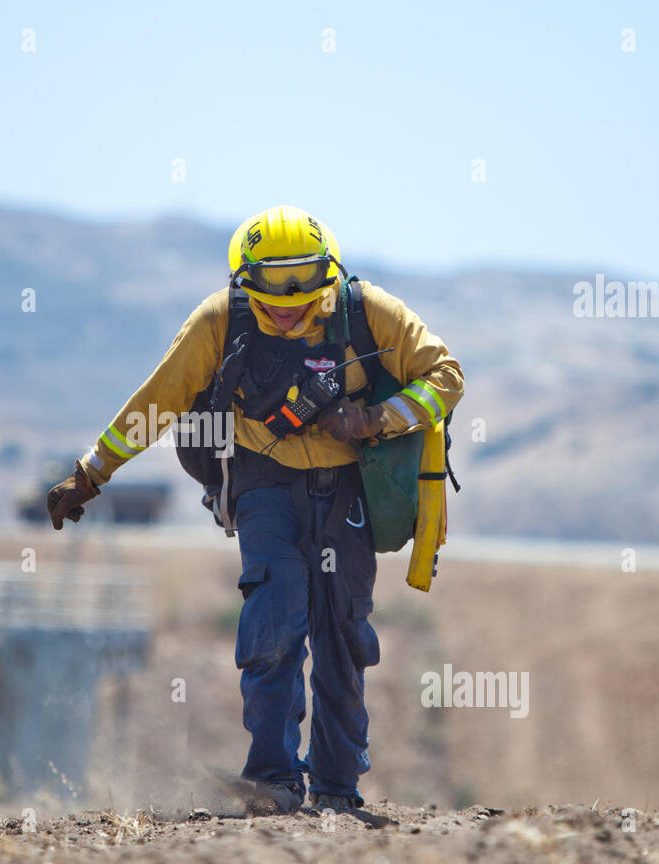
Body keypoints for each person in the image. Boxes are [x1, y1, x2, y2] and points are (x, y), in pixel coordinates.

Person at [47, 205, 464, 813]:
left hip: (349, 487)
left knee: (343, 633)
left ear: (327, 272)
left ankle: (337, 788)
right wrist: (91, 473)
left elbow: (445, 374)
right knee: (273, 623)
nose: (289, 297)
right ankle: (272, 780)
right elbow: (158, 400)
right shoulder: (220, 321)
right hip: (263, 485)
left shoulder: (367, 310)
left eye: (302, 280)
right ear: (245, 280)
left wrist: (376, 419)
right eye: (273, 283)